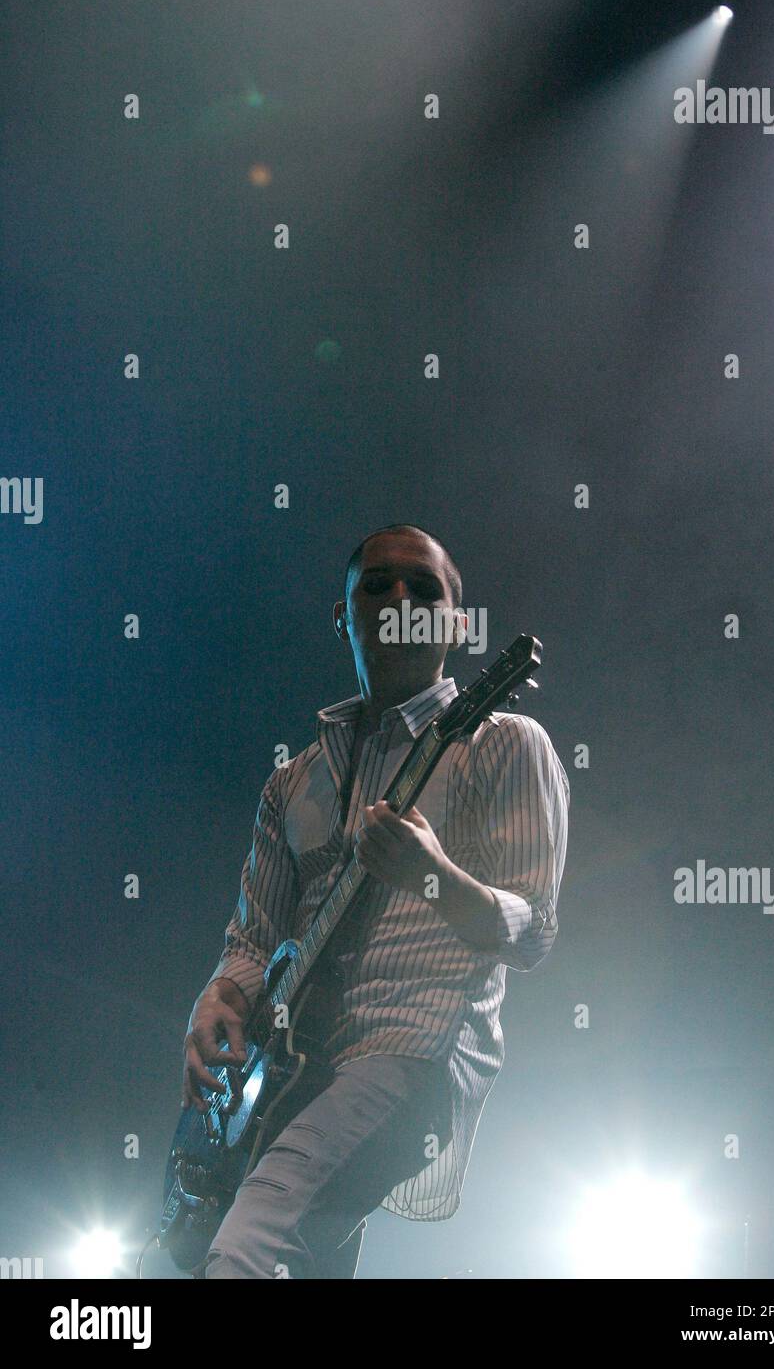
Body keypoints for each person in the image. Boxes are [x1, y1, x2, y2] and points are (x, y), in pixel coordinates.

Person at [182, 523, 570, 1278]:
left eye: (425, 589)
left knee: (245, 1248)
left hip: (407, 1051)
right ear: (342, 615)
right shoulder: (292, 782)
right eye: (378, 583)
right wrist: (219, 998)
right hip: (287, 1075)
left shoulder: (506, 744)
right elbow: (254, 939)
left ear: (457, 626)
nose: (400, 598)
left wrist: (434, 876)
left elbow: (534, 931)